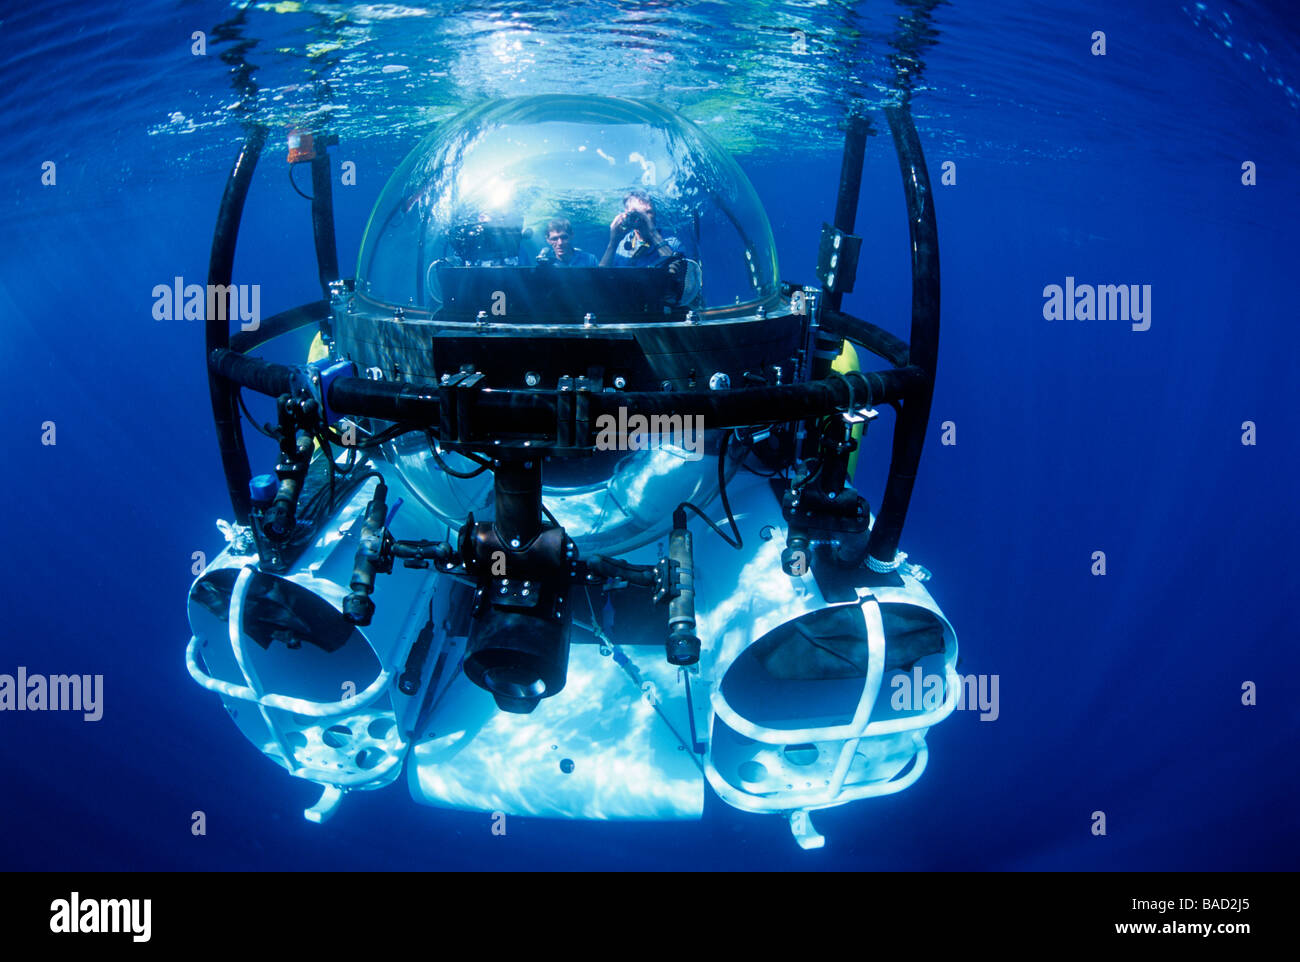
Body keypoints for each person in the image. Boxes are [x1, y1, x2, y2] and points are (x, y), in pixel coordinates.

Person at [600, 190, 701, 304]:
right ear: (626, 214)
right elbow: (600, 279)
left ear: (655, 213)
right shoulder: (622, 244)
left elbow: (678, 278)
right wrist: (613, 243)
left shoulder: (671, 243)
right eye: (636, 213)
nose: (643, 218)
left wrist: (652, 233)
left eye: (648, 212)